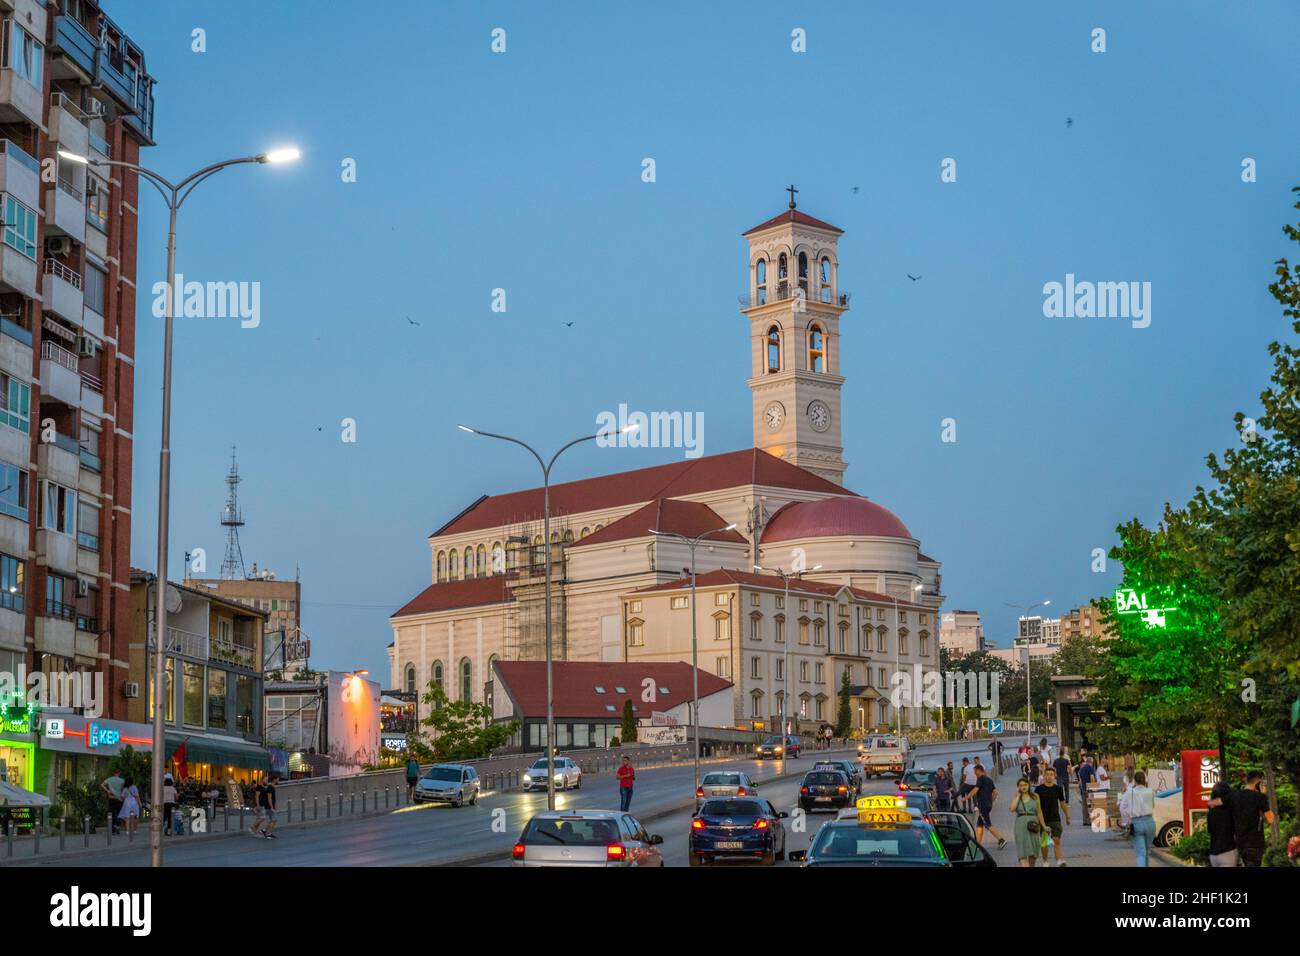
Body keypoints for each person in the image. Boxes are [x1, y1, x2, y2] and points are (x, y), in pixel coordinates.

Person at [1229, 771, 1274, 867]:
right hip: (1254, 844)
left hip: (1238, 842)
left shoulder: (1235, 796)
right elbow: (1270, 819)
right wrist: (1263, 796)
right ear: (1258, 782)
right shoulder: (1259, 797)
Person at [1035, 768, 1070, 866]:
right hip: (1043, 820)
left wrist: (1067, 816)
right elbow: (1036, 806)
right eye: (1047, 774)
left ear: (1054, 776)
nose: (1049, 776)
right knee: (1044, 842)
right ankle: (1045, 861)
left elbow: (1063, 804)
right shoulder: (1039, 789)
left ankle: (1059, 861)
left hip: (1055, 819)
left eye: (1051, 774)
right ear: (1044, 776)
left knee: (1056, 840)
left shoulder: (1058, 789)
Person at [1011, 776, 1046, 866]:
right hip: (1020, 826)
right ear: (1018, 787)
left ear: (1029, 785)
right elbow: (1012, 809)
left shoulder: (1035, 796)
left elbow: (1039, 812)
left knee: (1034, 850)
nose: (1023, 787)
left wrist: (1044, 826)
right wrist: (1018, 796)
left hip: (1033, 825)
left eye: (1025, 785)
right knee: (1022, 850)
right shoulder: (1017, 797)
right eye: (1021, 785)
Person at [972, 764, 1007, 850]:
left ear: (978, 771)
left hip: (982, 806)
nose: (974, 773)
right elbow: (995, 793)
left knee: (988, 824)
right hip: (988, 805)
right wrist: (991, 801)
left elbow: (975, 790)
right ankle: (978, 845)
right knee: (979, 825)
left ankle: (1001, 840)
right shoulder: (989, 780)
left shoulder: (980, 779)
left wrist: (966, 798)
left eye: (975, 771)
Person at [1124, 771, 1156, 866]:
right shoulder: (1151, 791)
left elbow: (1123, 808)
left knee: (1141, 853)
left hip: (1136, 823)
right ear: (1145, 780)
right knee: (1146, 851)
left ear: (1134, 781)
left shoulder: (1129, 792)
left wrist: (1127, 820)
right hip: (1150, 822)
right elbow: (1153, 805)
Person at [1206, 781, 1238, 867]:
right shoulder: (1230, 811)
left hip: (1213, 854)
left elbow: (1210, 831)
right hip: (1228, 852)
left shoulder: (1211, 812)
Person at [1075, 756, 1096, 825]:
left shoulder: (1081, 769)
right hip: (1089, 789)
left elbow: (1080, 781)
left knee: (1084, 805)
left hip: (1083, 789)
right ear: (1091, 762)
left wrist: (1081, 788)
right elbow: (1092, 778)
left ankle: (1085, 821)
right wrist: (1093, 787)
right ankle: (1090, 821)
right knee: (1090, 805)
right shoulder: (1090, 768)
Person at [261, 773, 280, 839]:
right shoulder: (270, 787)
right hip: (269, 807)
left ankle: (264, 830)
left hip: (269, 807)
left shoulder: (271, 787)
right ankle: (268, 834)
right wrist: (272, 807)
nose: (278, 780)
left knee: (272, 820)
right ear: (274, 780)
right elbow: (269, 798)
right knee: (274, 820)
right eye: (277, 779)